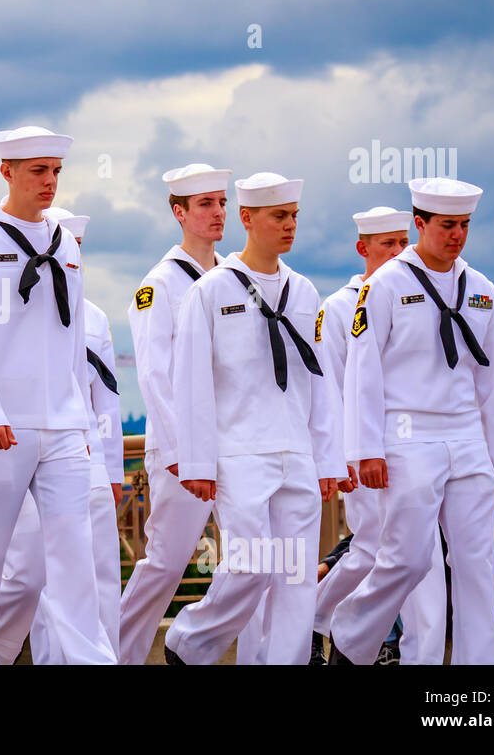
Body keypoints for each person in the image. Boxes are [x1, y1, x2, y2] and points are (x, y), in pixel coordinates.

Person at [0, 126, 114, 665]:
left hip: (61, 426)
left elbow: (73, 338)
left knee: (73, 559)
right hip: (0, 427)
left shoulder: (64, 239)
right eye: (38, 171)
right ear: (6, 172)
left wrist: (80, 424)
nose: (50, 182)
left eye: (56, 171)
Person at [331, 177, 494, 665]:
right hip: (407, 435)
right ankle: (351, 635)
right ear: (420, 224)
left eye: (464, 226)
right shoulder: (384, 284)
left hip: (468, 438)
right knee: (408, 558)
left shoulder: (481, 289)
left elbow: (492, 382)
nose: (457, 235)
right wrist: (365, 449)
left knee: (477, 565)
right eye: (447, 225)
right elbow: (362, 370)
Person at [162, 172, 344, 666]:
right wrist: (196, 461)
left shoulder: (305, 292)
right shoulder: (210, 291)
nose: (289, 226)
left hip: (296, 453)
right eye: (278, 216)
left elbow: (319, 381)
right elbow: (191, 381)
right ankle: (191, 641)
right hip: (238, 453)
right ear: (247, 218)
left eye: (294, 217)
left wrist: (328, 457)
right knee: (251, 566)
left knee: (297, 576)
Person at [310, 207, 447, 665]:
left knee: (411, 558)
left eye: (402, 242)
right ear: (362, 248)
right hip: (365, 455)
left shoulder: (416, 294)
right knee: (373, 552)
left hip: (414, 450)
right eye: (387, 243)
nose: (398, 251)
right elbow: (330, 388)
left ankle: (395, 649)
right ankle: (320, 620)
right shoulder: (338, 308)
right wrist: (343, 458)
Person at [117, 163, 232, 665]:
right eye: (205, 204)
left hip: (238, 442)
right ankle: (115, 655)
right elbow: (155, 376)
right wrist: (185, 454)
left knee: (259, 558)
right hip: (185, 450)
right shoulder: (158, 285)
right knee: (166, 564)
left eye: (222, 202)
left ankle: (196, 642)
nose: (218, 213)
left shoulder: (233, 277)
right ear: (178, 212)